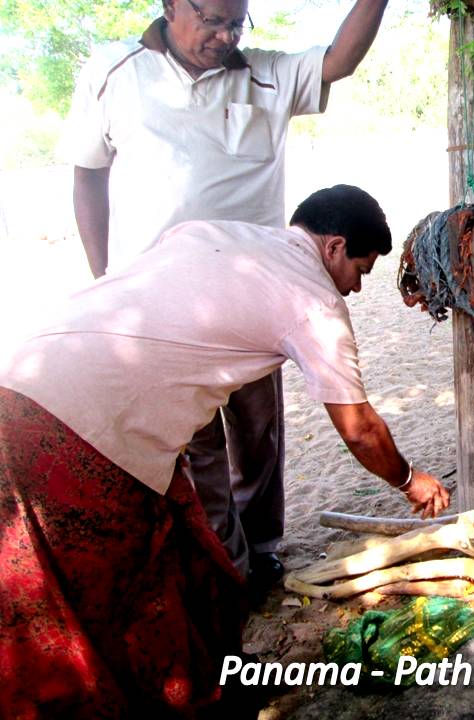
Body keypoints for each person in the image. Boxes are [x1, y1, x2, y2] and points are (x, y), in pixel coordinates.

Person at [0, 184, 450, 717]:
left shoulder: (210, 232)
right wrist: (408, 480)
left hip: (18, 388)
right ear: (333, 247)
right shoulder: (315, 302)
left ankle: (218, 686)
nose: (355, 289)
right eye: (362, 269)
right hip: (82, 437)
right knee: (104, 599)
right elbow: (359, 429)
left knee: (198, 564)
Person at [64, 0, 392, 588]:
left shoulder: (265, 72)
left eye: (236, 23)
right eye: (211, 20)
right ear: (169, 5)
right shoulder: (114, 70)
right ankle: (222, 561)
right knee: (198, 446)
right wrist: (105, 274)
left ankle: (262, 545)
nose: (223, 35)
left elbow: (339, 60)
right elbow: (87, 173)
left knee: (258, 431)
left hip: (260, 302)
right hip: (162, 303)